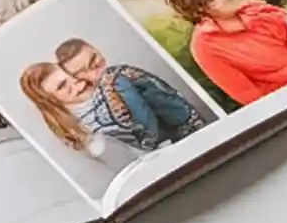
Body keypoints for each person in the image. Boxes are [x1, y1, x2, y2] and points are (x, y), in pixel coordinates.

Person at [55, 37, 207, 145]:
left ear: (97, 50)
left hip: (185, 133)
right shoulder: (102, 89)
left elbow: (143, 116)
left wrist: (150, 144)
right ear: (75, 77)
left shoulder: (116, 78)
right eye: (84, 70)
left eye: (94, 58)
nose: (95, 67)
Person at [20, 61, 176, 157]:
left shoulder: (112, 83)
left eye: (69, 76)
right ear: (51, 100)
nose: (74, 83)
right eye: (62, 86)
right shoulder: (75, 131)